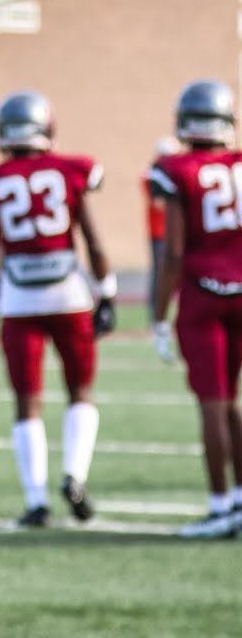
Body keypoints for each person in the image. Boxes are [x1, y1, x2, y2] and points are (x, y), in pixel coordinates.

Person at [0, 91, 115, 527]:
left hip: (20, 296)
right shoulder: (71, 170)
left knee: (27, 401)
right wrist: (107, 291)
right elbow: (93, 242)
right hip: (68, 293)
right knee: (80, 391)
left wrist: (2, 297)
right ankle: (75, 475)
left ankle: (36, 500)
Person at [147, 79, 242, 539]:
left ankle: (220, 505)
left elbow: (174, 253)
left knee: (212, 404)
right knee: (230, 403)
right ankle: (238, 499)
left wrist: (158, 314)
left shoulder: (176, 169)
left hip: (203, 296)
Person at [144, 136, 180, 324]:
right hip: (160, 233)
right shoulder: (153, 176)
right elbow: (158, 203)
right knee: (160, 274)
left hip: (177, 233)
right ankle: (157, 317)